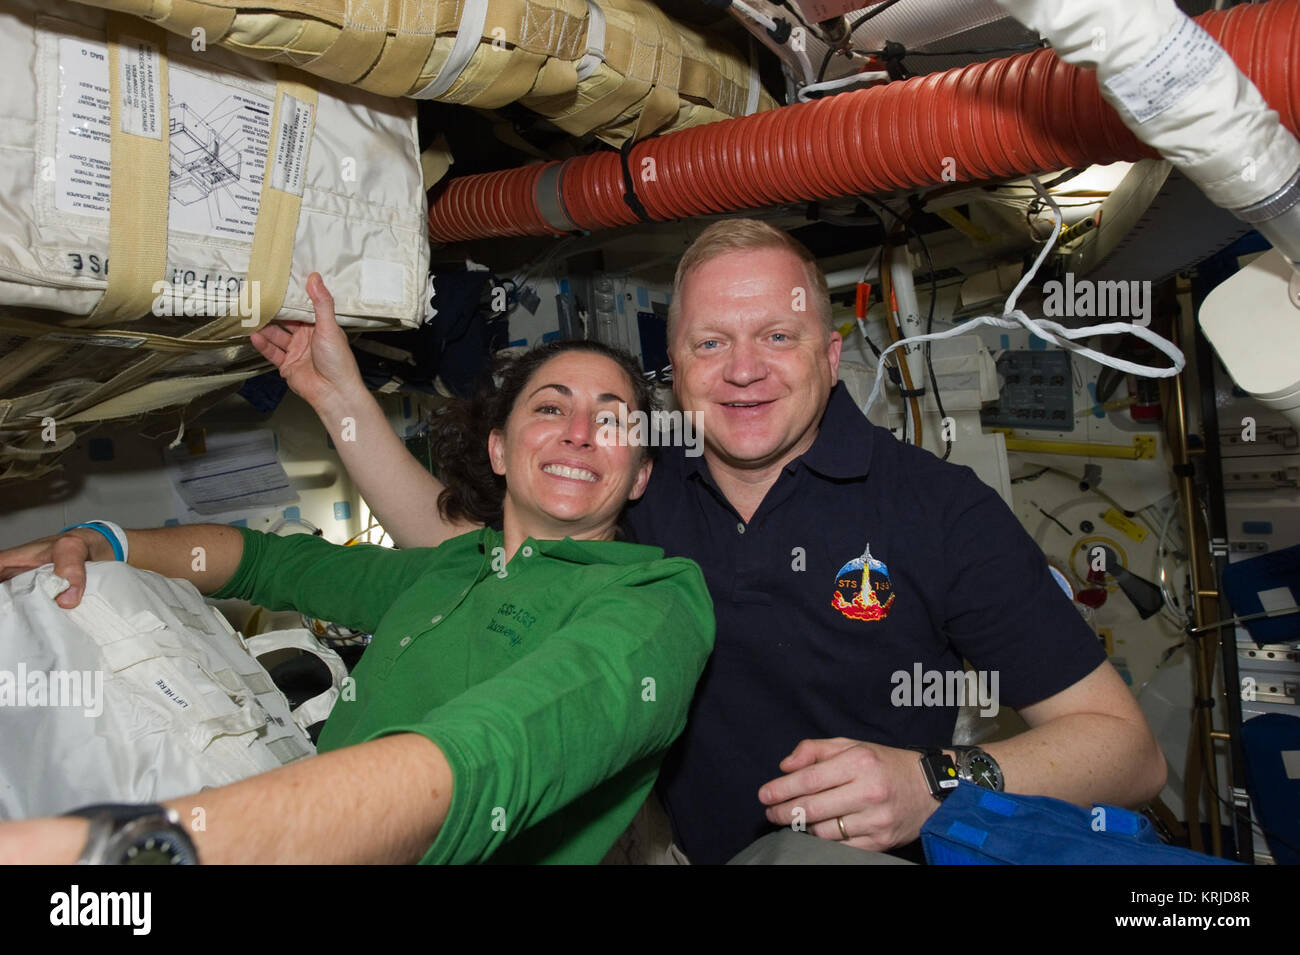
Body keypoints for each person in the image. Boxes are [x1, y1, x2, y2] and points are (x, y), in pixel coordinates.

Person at [181, 229, 1172, 864]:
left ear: (830, 358)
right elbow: (463, 555)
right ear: (675, 370)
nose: (742, 371)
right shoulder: (638, 487)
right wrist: (341, 403)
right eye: (710, 344)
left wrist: (937, 781)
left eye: (777, 339)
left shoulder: (938, 511)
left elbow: (1126, 752)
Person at [0, 296, 714, 865]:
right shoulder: (455, 565)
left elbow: (493, 752)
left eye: (612, 420)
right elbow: (262, 560)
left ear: (642, 471)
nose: (580, 432)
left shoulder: (657, 601)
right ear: (499, 449)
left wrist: (163, 844)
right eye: (551, 407)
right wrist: (106, 540)